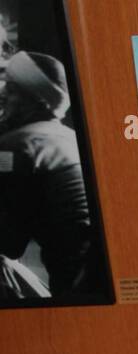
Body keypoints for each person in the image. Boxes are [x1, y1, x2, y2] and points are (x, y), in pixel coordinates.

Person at [0, 50, 92, 297]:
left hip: (76, 279)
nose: (3, 95)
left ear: (36, 100)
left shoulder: (16, 144)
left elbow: (9, 244)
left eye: (11, 88)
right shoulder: (68, 137)